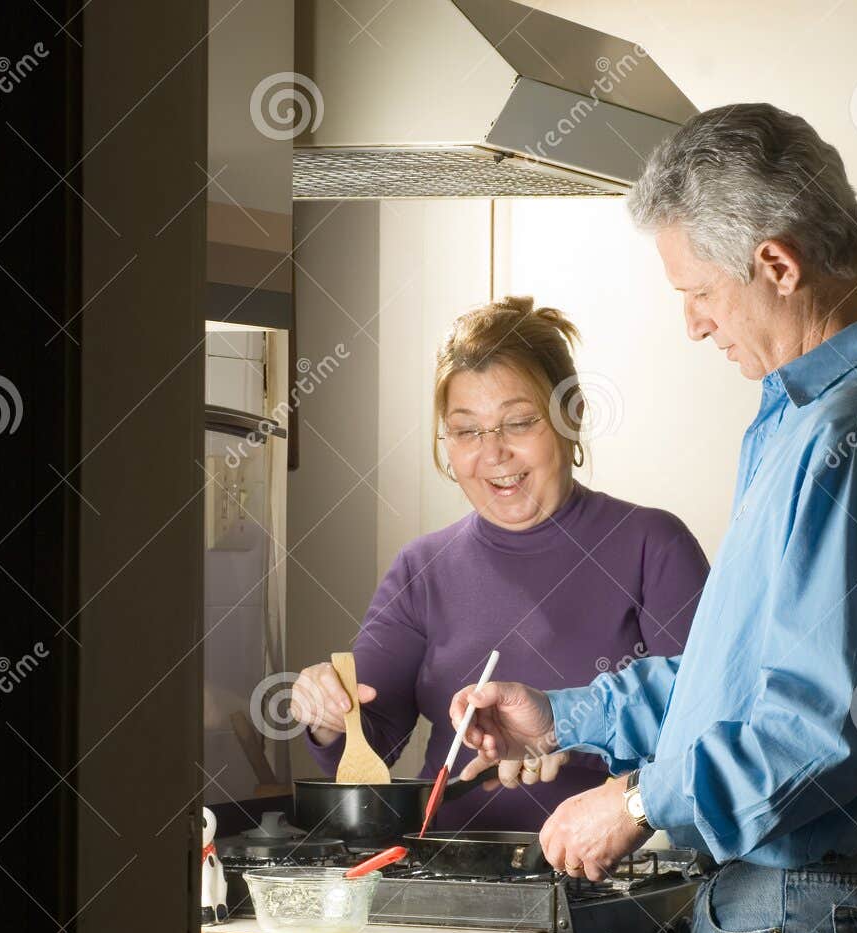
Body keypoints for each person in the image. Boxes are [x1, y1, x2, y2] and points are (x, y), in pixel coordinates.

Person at [449, 104, 857, 933]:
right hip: (822, 905)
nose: (694, 323)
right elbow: (743, 678)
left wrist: (638, 803)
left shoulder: (849, 440)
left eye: (699, 291)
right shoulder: (835, 412)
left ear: (776, 264)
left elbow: (830, 722)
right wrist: (562, 716)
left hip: (814, 900)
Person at [291, 295, 709, 831]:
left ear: (573, 416)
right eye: (467, 431)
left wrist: (577, 734)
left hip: (613, 863)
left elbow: (705, 724)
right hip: (447, 860)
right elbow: (368, 748)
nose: (493, 454)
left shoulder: (654, 545)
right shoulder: (422, 567)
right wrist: (328, 714)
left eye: (519, 422)